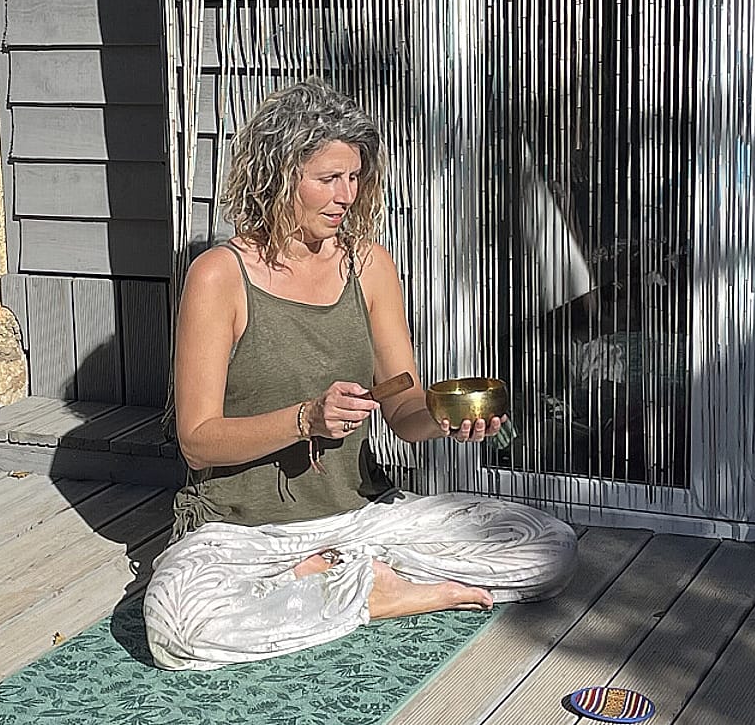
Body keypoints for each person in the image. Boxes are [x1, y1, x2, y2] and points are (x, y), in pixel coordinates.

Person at [143, 78, 578, 670]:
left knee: (550, 548)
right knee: (179, 626)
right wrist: (306, 419)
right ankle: (372, 590)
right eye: (328, 178)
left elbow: (402, 409)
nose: (346, 195)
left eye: (354, 178)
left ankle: (341, 584)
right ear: (278, 174)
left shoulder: (369, 266)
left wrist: (447, 417)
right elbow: (197, 442)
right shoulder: (219, 275)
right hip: (244, 533)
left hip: (362, 519)